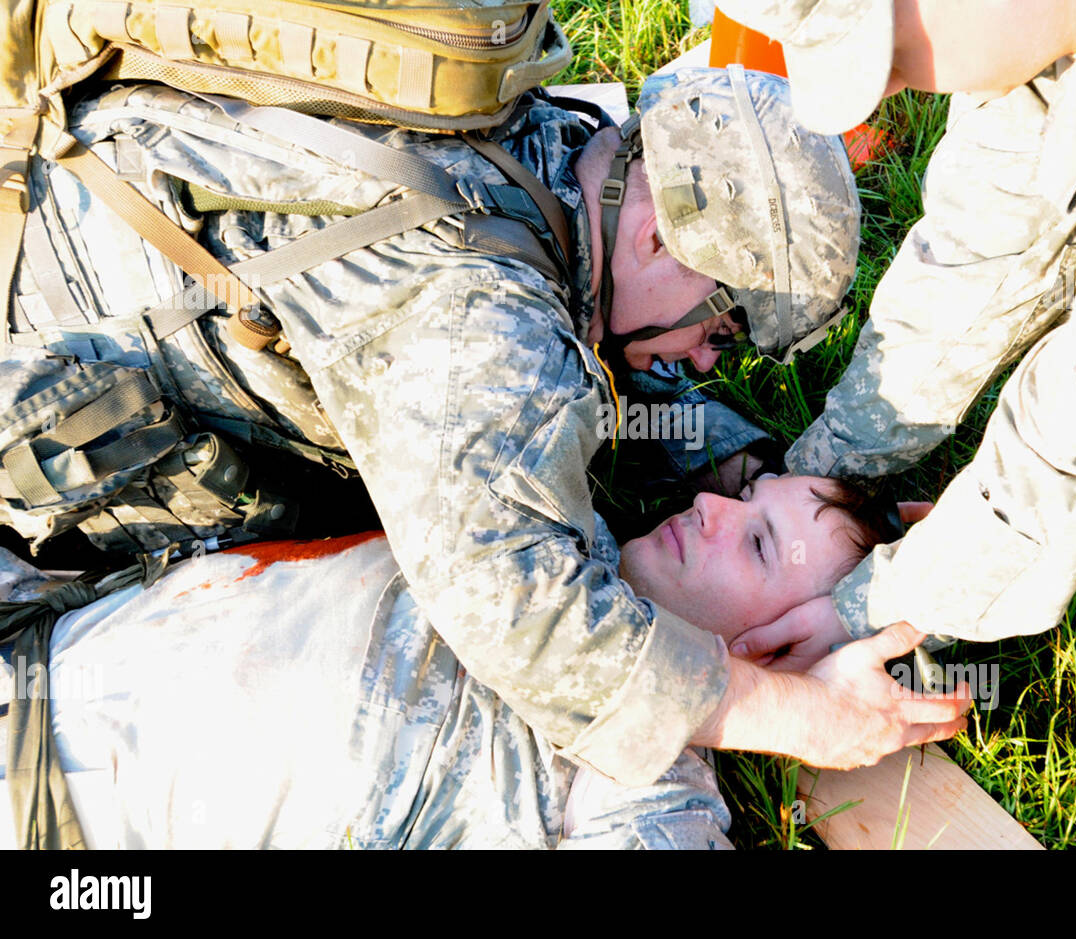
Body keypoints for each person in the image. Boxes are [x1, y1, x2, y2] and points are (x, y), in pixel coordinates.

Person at [3, 63, 971, 846]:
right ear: (658, 236)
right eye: (717, 327)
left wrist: (763, 478)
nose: (705, 361)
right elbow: (519, 611)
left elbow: (610, 395)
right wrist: (800, 715)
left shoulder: (552, 138)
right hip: (42, 409)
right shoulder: (486, 322)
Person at [715, 0, 1076, 770]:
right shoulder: (1039, 33)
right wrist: (826, 466)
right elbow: (972, 263)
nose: (889, 90)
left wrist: (873, 609)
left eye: (887, 53)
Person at [0, 475, 886, 849]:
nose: (710, 505)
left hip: (60, 817)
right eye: (743, 494)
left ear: (772, 649)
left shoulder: (643, 773)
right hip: (37, 636)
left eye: (760, 541)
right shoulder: (558, 525)